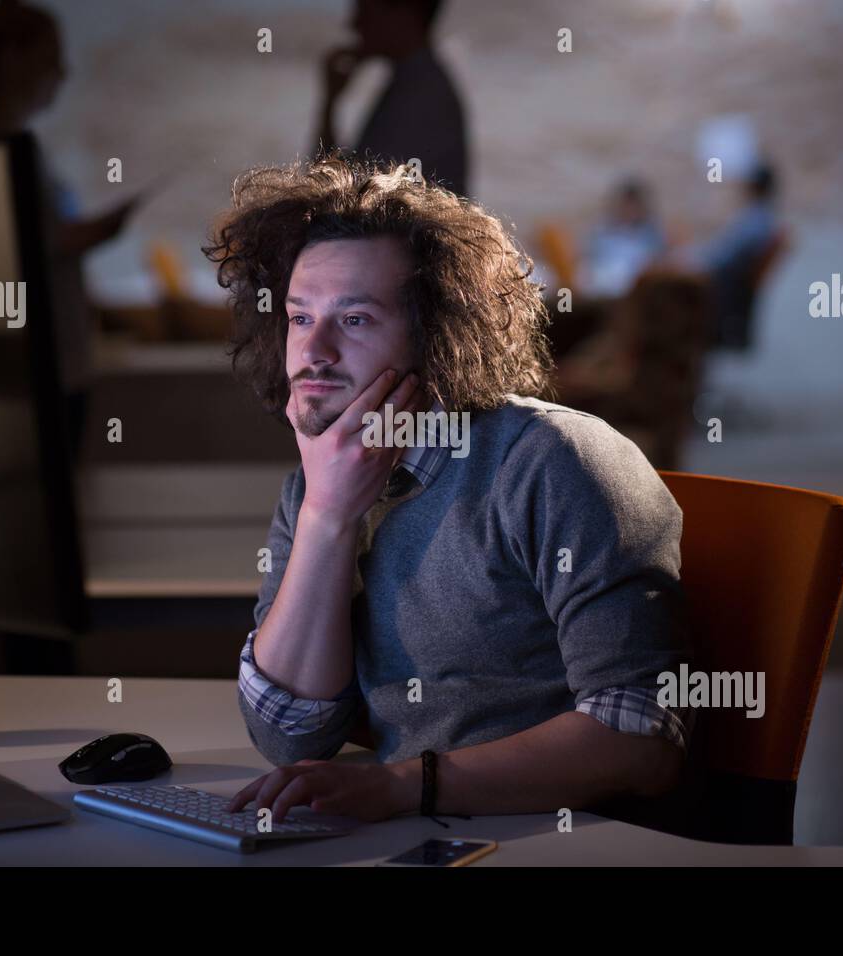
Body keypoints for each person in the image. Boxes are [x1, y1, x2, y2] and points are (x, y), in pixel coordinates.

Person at [202, 155, 695, 826]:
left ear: (438, 336)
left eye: (354, 320)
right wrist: (327, 516)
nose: (311, 352)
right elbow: (288, 732)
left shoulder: (555, 463)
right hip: (417, 834)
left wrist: (404, 787)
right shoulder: (320, 482)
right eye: (297, 317)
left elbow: (638, 741)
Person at [0, 0, 141, 458]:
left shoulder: (20, 150)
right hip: (40, 365)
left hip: (47, 361)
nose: (61, 73)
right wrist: (100, 231)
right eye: (50, 58)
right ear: (11, 58)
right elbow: (35, 244)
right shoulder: (3, 152)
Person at [312, 0, 469, 197]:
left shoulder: (420, 96)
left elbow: (342, 195)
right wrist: (331, 102)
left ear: (404, 15)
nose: (354, 23)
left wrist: (330, 104)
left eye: (365, 10)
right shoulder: (418, 82)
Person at [680, 162, 781, 350]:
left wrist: (691, 260)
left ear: (752, 187)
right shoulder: (762, 218)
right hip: (724, 289)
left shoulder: (754, 221)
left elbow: (723, 257)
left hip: (719, 292)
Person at [580, 178, 666, 299]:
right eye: (626, 205)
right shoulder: (602, 232)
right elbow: (591, 262)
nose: (629, 210)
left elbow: (657, 261)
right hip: (605, 289)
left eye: (633, 206)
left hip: (641, 291)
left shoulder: (651, 233)